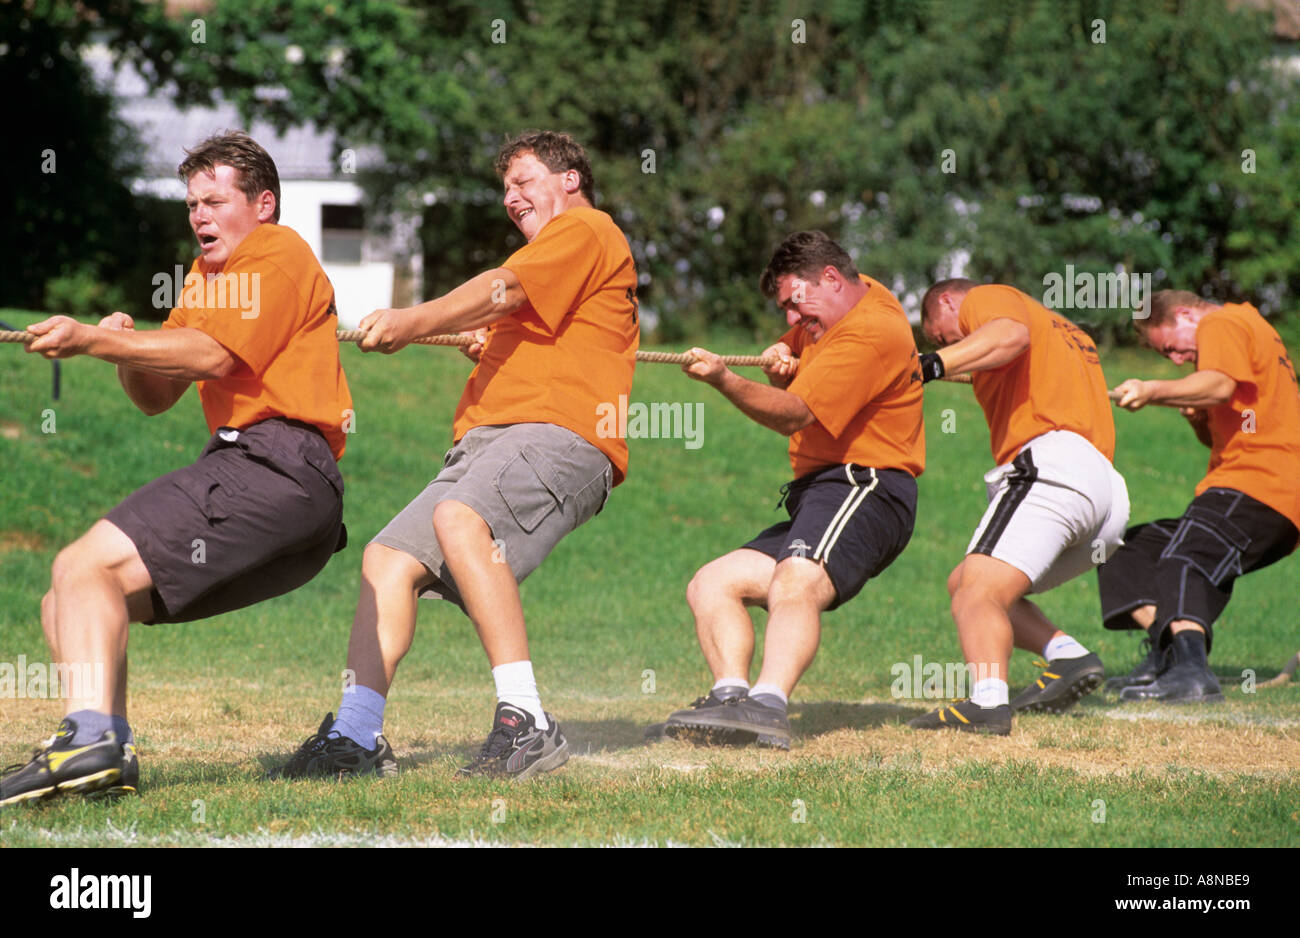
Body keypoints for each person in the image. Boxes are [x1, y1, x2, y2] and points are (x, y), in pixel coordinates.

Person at [273, 130, 638, 780]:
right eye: (504, 189)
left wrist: (417, 321)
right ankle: (356, 736)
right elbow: (523, 308)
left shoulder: (587, 230)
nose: (510, 197)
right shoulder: (558, 261)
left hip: (561, 433)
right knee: (387, 558)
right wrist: (493, 341)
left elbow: (507, 287)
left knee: (458, 520)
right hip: (492, 441)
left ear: (571, 180)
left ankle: (528, 721)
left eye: (523, 181)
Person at [2, 131, 352, 806]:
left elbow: (213, 357)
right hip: (278, 492)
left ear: (263, 204)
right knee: (69, 600)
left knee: (81, 566)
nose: (199, 216)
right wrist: (126, 351)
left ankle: (87, 740)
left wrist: (90, 338)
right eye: (191, 203)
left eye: (214, 200)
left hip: (277, 463)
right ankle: (108, 759)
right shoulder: (203, 278)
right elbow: (159, 395)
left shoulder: (275, 252)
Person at [652, 231, 924, 750]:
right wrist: (786, 348)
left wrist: (725, 380)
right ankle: (730, 699)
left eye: (794, 306)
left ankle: (769, 706)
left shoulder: (872, 332)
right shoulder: (848, 294)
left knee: (795, 581)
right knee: (712, 584)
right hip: (821, 491)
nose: (792, 320)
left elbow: (796, 414)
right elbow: (806, 351)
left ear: (829, 278)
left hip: (865, 484)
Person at [908, 279, 1128, 735]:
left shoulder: (987, 298)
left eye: (942, 334)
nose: (949, 341)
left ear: (948, 302)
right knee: (965, 582)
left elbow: (1010, 336)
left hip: (1053, 467)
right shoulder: (1069, 331)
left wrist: (931, 364)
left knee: (977, 592)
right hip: (1105, 492)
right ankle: (1067, 656)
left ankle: (987, 702)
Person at [1103, 290, 1300, 702]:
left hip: (1259, 484)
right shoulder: (1250, 328)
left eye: (1172, 348)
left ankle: (1192, 675)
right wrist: (1197, 419)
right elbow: (1228, 416)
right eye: (1166, 357)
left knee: (1185, 558)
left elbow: (1219, 386)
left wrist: (1153, 389)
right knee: (1126, 551)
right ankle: (1170, 656)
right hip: (1267, 491)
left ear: (1186, 313)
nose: (1177, 360)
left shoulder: (1222, 324)